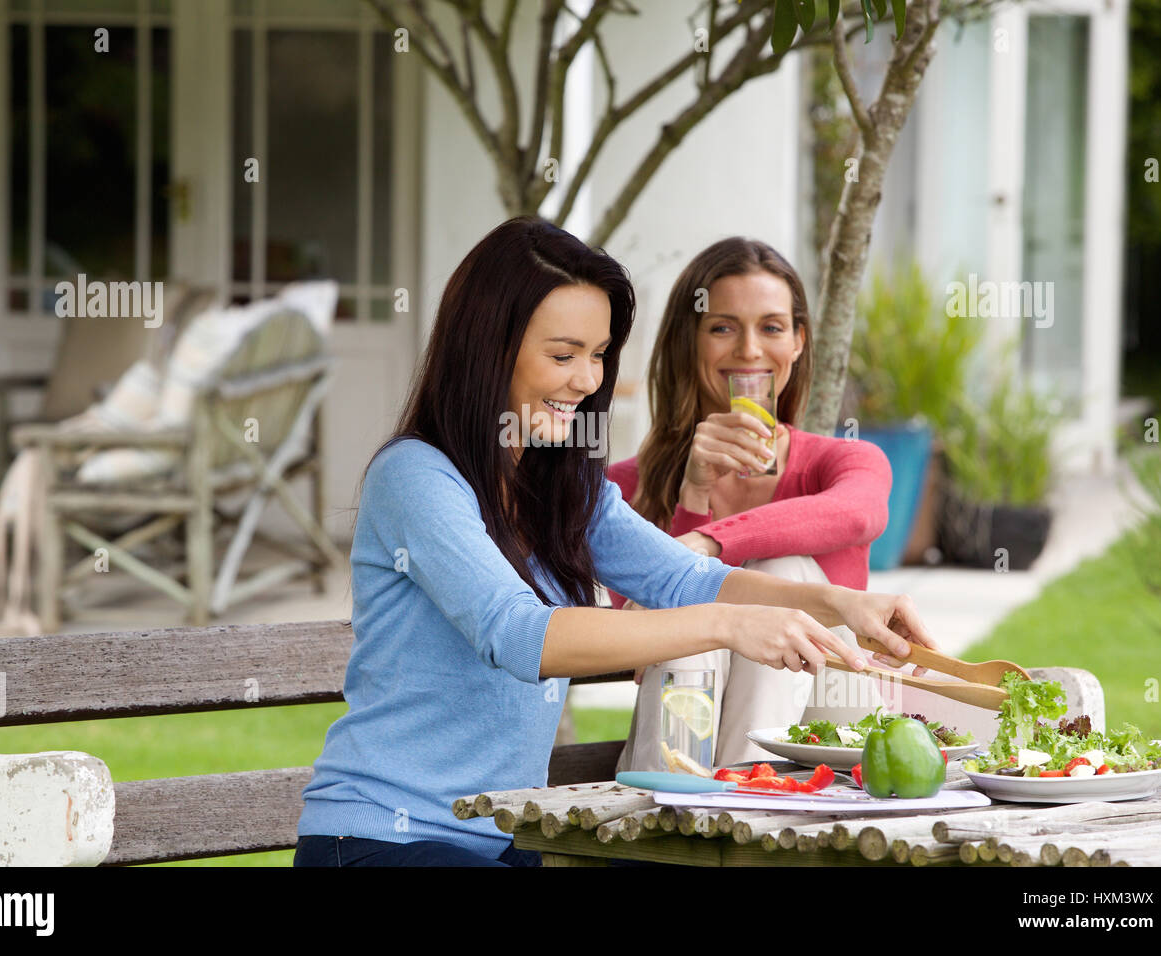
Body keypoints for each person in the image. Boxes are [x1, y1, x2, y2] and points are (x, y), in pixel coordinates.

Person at [294, 217, 935, 867]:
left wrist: (843, 606)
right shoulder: (415, 477)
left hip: (502, 841)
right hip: (381, 840)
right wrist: (728, 625)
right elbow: (517, 634)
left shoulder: (565, 487)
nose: (587, 380)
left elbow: (685, 579)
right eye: (563, 354)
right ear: (489, 346)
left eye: (598, 355)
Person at [610, 237, 928, 772]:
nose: (749, 350)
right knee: (696, 612)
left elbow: (859, 514)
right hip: (684, 744)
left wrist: (709, 540)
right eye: (723, 327)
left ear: (800, 342)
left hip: (829, 736)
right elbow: (637, 645)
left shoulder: (844, 460)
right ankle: (675, 805)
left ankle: (735, 809)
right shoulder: (624, 488)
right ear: (690, 340)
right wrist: (692, 497)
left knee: (780, 571)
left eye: (772, 327)